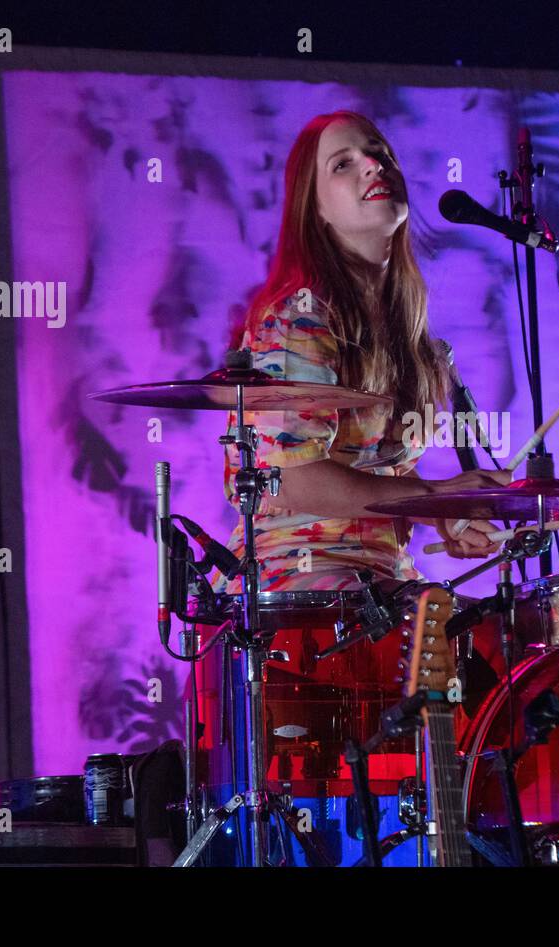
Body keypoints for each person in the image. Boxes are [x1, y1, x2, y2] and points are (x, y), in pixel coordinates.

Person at [219, 110, 509, 594]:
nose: (373, 165)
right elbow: (295, 478)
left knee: (492, 645)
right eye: (343, 164)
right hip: (297, 579)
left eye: (379, 153)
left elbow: (382, 470)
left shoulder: (411, 337)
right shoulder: (298, 317)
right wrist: (434, 496)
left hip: (385, 575)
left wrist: (448, 519)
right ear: (314, 210)